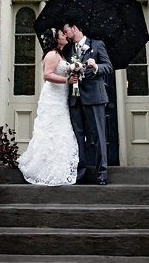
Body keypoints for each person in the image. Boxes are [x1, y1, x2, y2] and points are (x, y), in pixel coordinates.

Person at [17, 28, 79, 186]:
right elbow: (47, 75)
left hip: (61, 98)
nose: (65, 36)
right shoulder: (52, 54)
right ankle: (44, 168)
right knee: (51, 131)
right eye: (62, 34)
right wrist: (67, 80)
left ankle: (59, 167)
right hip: (52, 99)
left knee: (61, 132)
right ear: (56, 39)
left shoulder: (61, 54)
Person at [63, 20, 113, 185]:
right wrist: (71, 76)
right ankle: (80, 172)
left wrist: (95, 66)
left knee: (99, 135)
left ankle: (102, 174)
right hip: (75, 99)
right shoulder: (68, 49)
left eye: (66, 32)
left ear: (75, 28)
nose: (65, 36)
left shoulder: (97, 45)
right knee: (77, 137)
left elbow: (108, 67)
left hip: (94, 97)